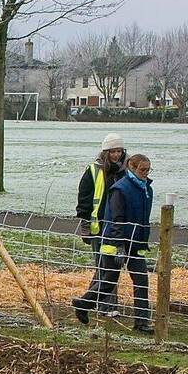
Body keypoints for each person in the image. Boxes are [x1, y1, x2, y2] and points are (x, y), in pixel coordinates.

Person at [72, 153, 156, 332]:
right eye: (142, 169)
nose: (146, 173)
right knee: (108, 281)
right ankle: (83, 304)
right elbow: (117, 219)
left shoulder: (147, 190)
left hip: (135, 243)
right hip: (115, 242)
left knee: (141, 281)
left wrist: (141, 240)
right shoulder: (120, 189)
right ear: (131, 168)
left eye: (148, 170)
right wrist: (119, 246)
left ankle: (141, 323)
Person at [76, 135, 127, 266]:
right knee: (101, 266)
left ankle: (104, 286)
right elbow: (84, 197)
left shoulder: (126, 171)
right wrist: (85, 224)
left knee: (113, 268)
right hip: (98, 225)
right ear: (106, 152)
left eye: (119, 151)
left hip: (119, 225)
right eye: (113, 151)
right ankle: (100, 287)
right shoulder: (94, 170)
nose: (116, 155)